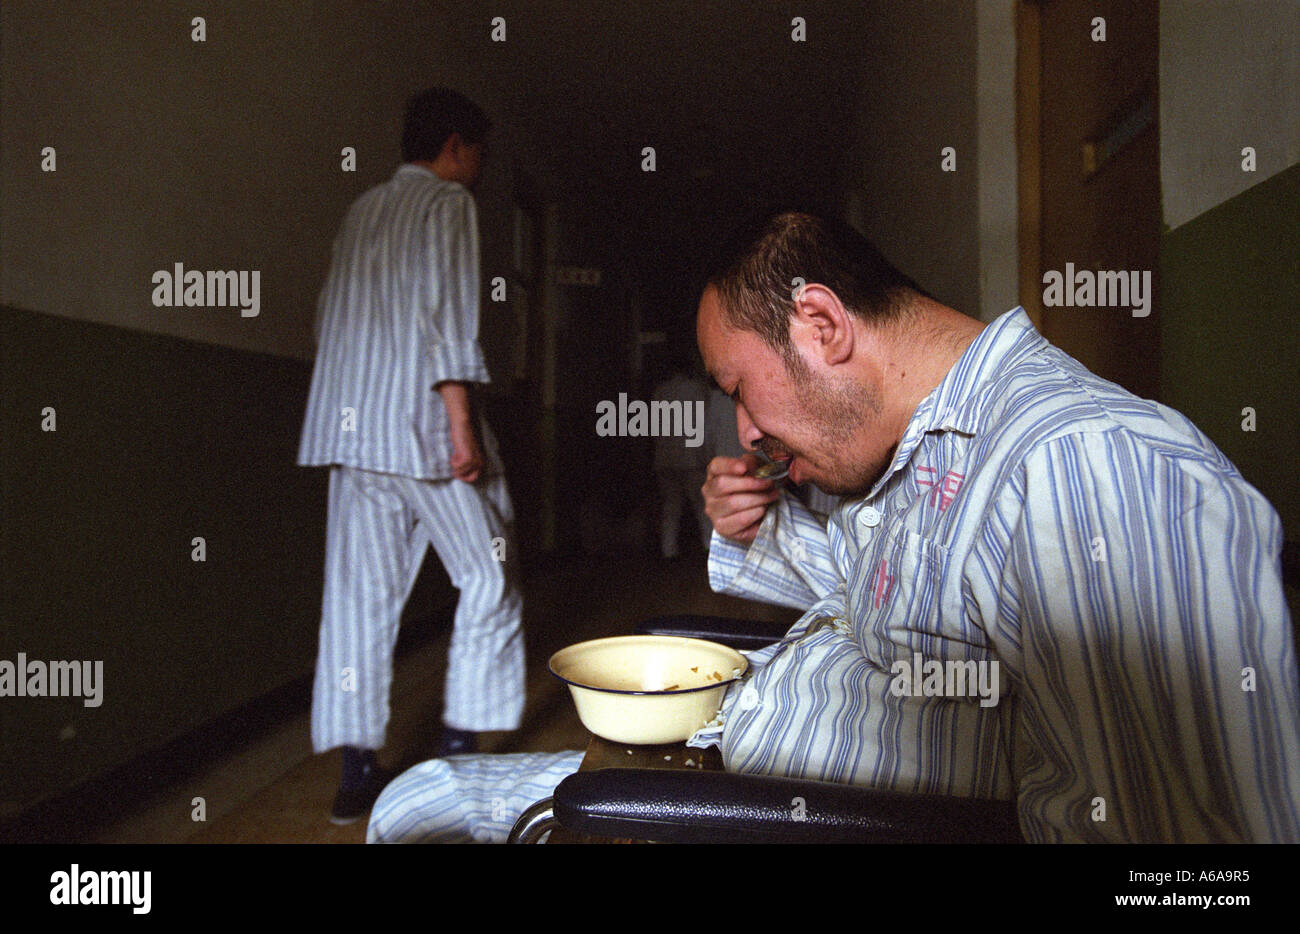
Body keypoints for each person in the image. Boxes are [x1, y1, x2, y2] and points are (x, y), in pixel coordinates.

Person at [367, 209, 1300, 843]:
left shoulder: (1090, 467)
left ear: (819, 323)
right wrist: (751, 531)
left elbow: (1199, 871)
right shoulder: (928, 448)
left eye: (738, 389)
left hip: (774, 815)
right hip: (737, 770)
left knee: (416, 817)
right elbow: (876, 589)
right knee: (414, 799)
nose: (742, 429)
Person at [297, 88, 524, 824]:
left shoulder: (362, 209)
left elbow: (333, 310)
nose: (480, 168)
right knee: (488, 572)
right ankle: (459, 749)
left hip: (351, 432)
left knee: (356, 601)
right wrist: (461, 426)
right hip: (421, 431)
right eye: (479, 152)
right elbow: (448, 318)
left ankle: (355, 775)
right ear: (456, 146)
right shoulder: (449, 206)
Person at [651, 352, 712, 558]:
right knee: (701, 506)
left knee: (671, 507)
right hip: (691, 458)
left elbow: (655, 428)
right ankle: (709, 548)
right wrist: (706, 455)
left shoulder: (660, 391)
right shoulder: (696, 389)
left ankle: (668, 550)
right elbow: (703, 423)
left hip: (665, 457)